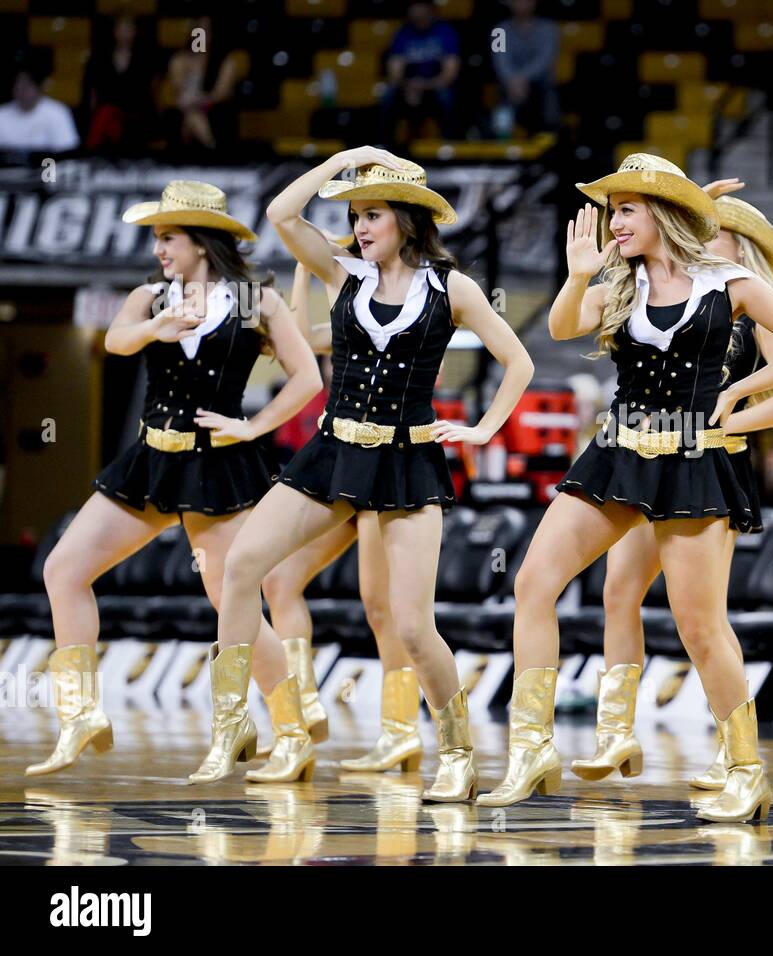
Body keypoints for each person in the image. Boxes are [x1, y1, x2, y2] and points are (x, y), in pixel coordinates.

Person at [478, 153, 773, 823]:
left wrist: (741, 391)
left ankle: (746, 767)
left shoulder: (728, 282)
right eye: (612, 211)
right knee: (533, 583)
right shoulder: (621, 284)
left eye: (627, 210)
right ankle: (530, 747)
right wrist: (577, 279)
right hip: (617, 451)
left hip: (695, 461)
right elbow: (559, 328)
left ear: (662, 215)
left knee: (699, 625)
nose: (614, 224)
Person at [196, 147, 532, 796]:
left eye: (372, 214)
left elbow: (517, 361)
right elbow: (281, 212)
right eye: (354, 216)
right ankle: (233, 722)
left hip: (407, 463)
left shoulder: (451, 288)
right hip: (332, 452)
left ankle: (457, 751)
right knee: (241, 567)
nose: (360, 226)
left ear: (406, 219)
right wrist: (347, 160)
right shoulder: (340, 272)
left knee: (410, 622)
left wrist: (484, 427)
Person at [29, 181, 320, 777]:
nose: (159, 249)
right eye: (157, 238)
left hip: (216, 466)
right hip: (151, 460)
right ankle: (80, 713)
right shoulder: (150, 296)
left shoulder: (251, 299)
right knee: (63, 569)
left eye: (168, 237)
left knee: (230, 600)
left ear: (201, 239)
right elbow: (115, 341)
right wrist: (154, 328)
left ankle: (291, 731)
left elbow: (307, 378)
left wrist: (253, 425)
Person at [570, 180, 773, 789]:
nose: (708, 242)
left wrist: (731, 412)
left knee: (701, 620)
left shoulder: (744, 299)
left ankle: (736, 751)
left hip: (710, 464)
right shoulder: (671, 287)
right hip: (648, 456)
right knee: (618, 592)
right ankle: (616, 733)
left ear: (742, 246)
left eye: (719, 234)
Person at [259, 247, 423, 772]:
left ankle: (401, 730)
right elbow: (302, 342)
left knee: (382, 604)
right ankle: (303, 702)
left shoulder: (408, 304)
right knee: (280, 580)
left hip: (387, 461)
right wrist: (304, 269)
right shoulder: (347, 306)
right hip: (336, 460)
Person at [378, 3, 462, 146]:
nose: (420, 21)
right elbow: (394, 74)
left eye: (423, 17)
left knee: (446, 96)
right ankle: (385, 147)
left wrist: (424, 85)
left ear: (431, 13)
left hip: (435, 86)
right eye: (416, 18)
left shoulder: (445, 32)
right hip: (408, 86)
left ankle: (449, 146)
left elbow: (450, 74)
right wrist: (409, 85)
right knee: (388, 95)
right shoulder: (402, 34)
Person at [163, 16, 240, 152]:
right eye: (198, 30)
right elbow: (179, 90)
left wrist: (201, 99)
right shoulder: (179, 60)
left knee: (197, 116)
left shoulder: (225, 61)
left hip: (209, 106)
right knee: (186, 115)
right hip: (186, 107)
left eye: (206, 31)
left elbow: (221, 93)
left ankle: (208, 147)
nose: (201, 35)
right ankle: (211, 146)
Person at [83, 16, 156, 152]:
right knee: (106, 115)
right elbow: (93, 89)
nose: (125, 34)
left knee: (108, 116)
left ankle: (89, 154)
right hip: (106, 113)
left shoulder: (144, 58)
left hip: (135, 115)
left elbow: (145, 93)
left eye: (128, 30)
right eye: (121, 30)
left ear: (135, 32)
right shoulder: (101, 57)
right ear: (115, 32)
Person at [491, 0, 560, 136]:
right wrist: (512, 80)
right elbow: (500, 60)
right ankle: (501, 136)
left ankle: (548, 134)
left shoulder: (550, 28)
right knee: (502, 91)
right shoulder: (499, 30)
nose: (522, 4)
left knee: (546, 90)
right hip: (509, 84)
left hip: (539, 82)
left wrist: (521, 78)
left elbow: (545, 59)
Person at [0, 66, 79, 154]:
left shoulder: (58, 113)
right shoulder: (2, 113)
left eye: (27, 85)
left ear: (40, 86)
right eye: (18, 85)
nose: (21, 90)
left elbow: (67, 152)